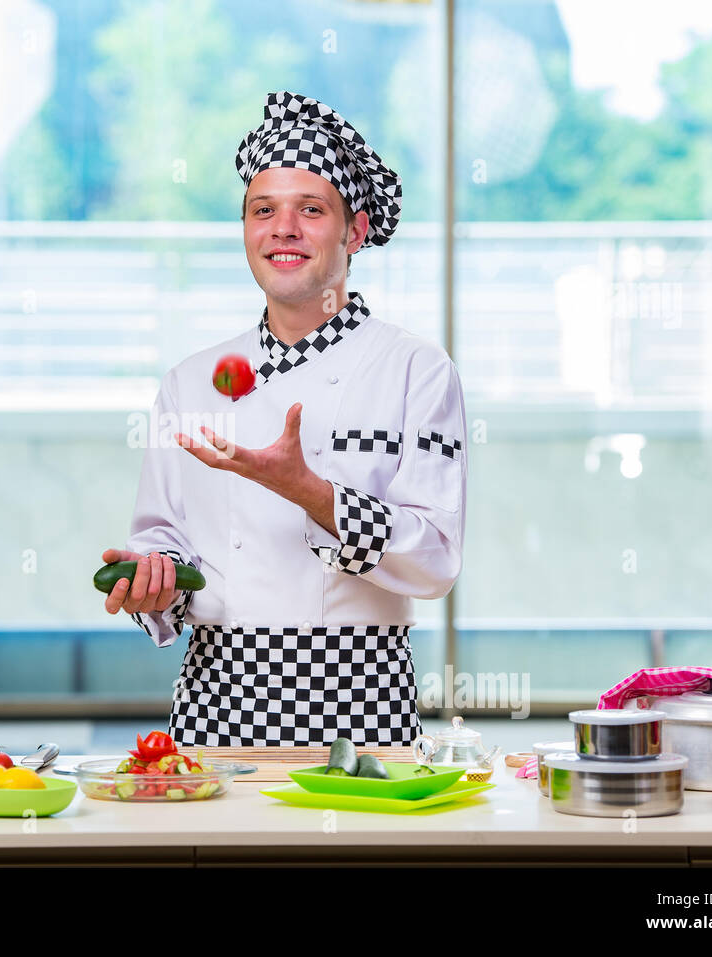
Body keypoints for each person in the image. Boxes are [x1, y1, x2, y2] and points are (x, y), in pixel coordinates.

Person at [101, 91, 467, 747]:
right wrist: (153, 583)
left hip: (362, 712)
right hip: (215, 710)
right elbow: (165, 546)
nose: (283, 228)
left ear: (355, 232)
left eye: (311, 210)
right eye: (263, 210)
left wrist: (309, 491)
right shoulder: (189, 382)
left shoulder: (417, 370)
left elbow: (436, 560)